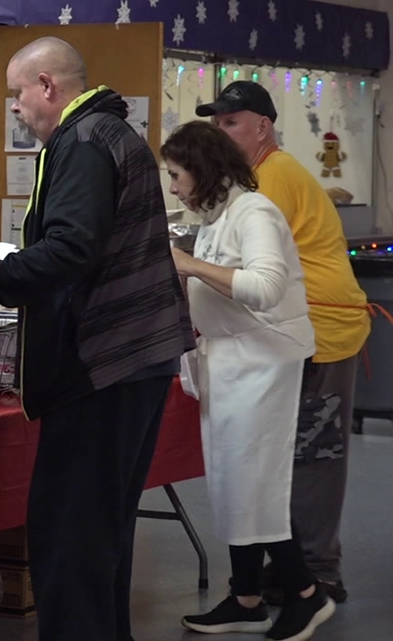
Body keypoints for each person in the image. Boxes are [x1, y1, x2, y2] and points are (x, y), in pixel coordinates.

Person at [0, 37, 194, 641]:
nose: (14, 108)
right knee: (100, 541)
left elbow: (70, 250)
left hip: (103, 363)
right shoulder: (108, 134)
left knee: (69, 543)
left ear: (47, 86)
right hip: (132, 359)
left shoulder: (85, 142)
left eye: (17, 93)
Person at [163, 121, 336, 640]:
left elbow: (263, 287)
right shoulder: (217, 216)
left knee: (255, 483)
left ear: (202, 169)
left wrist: (189, 265)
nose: (172, 188)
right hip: (232, 360)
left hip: (264, 363)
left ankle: (307, 594)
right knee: (231, 483)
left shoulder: (255, 211)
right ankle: (246, 596)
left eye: (176, 176)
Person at [198, 81, 369, 604]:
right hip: (293, 332)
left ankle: (321, 571)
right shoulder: (256, 177)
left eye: (230, 123)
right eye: (217, 124)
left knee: (314, 455)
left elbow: (253, 270)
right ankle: (291, 564)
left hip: (321, 331)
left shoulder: (271, 179)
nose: (221, 133)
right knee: (282, 453)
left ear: (261, 127)